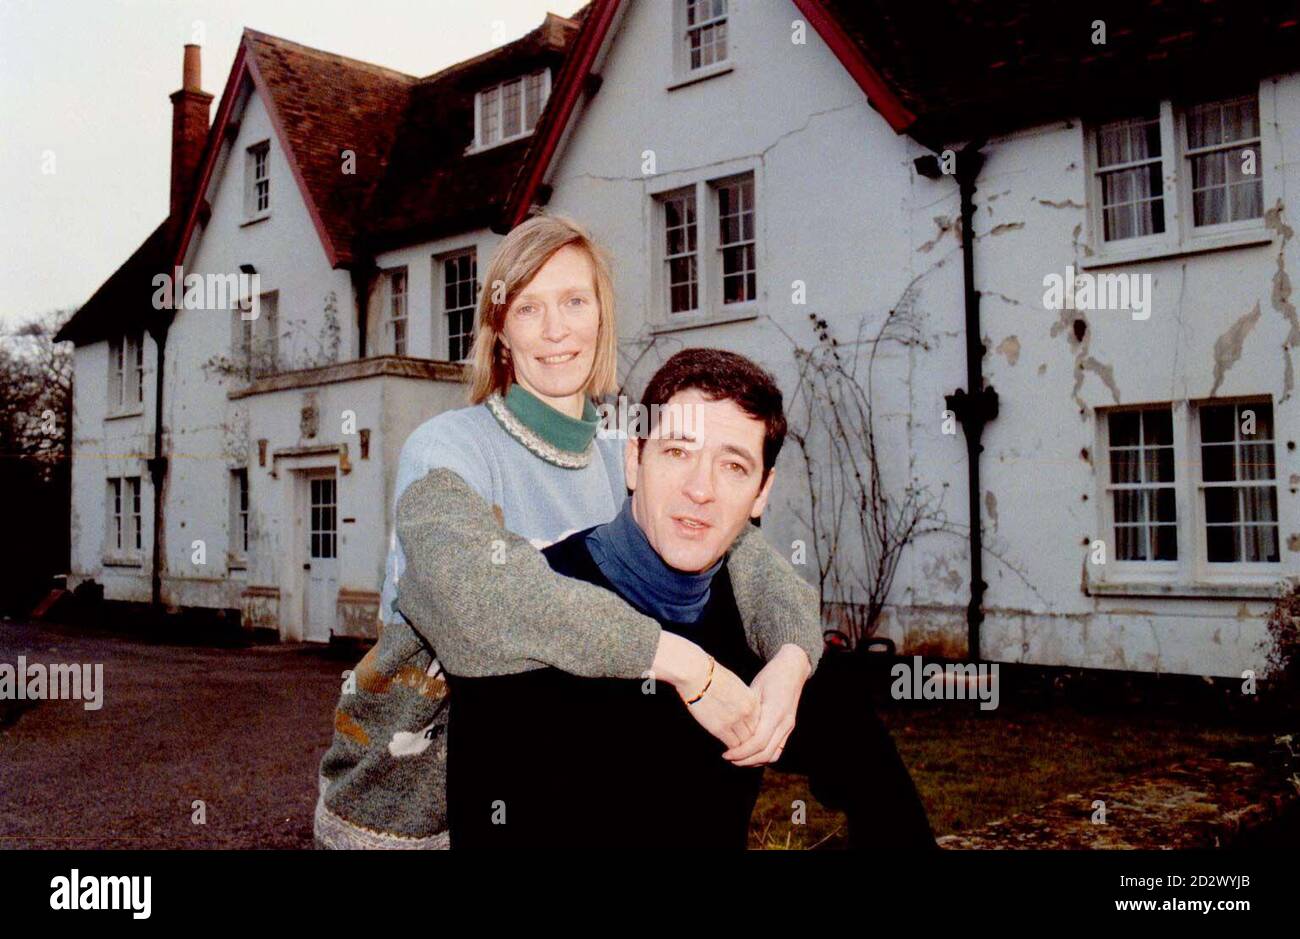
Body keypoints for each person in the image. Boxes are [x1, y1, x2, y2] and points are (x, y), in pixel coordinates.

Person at [315, 215, 823, 849]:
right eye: (528, 308)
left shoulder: (625, 455)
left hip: (543, 804)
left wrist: (792, 659)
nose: (556, 330)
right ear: (499, 331)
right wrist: (693, 669)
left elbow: (751, 559)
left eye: (575, 302)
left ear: (602, 316)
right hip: (411, 811)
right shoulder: (447, 453)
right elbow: (478, 609)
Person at [412, 349, 937, 849]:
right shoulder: (532, 619)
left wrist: (795, 663)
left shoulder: (757, 629)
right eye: (678, 452)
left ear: (762, 493)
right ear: (634, 460)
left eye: (733, 466)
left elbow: (874, 779)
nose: (700, 489)